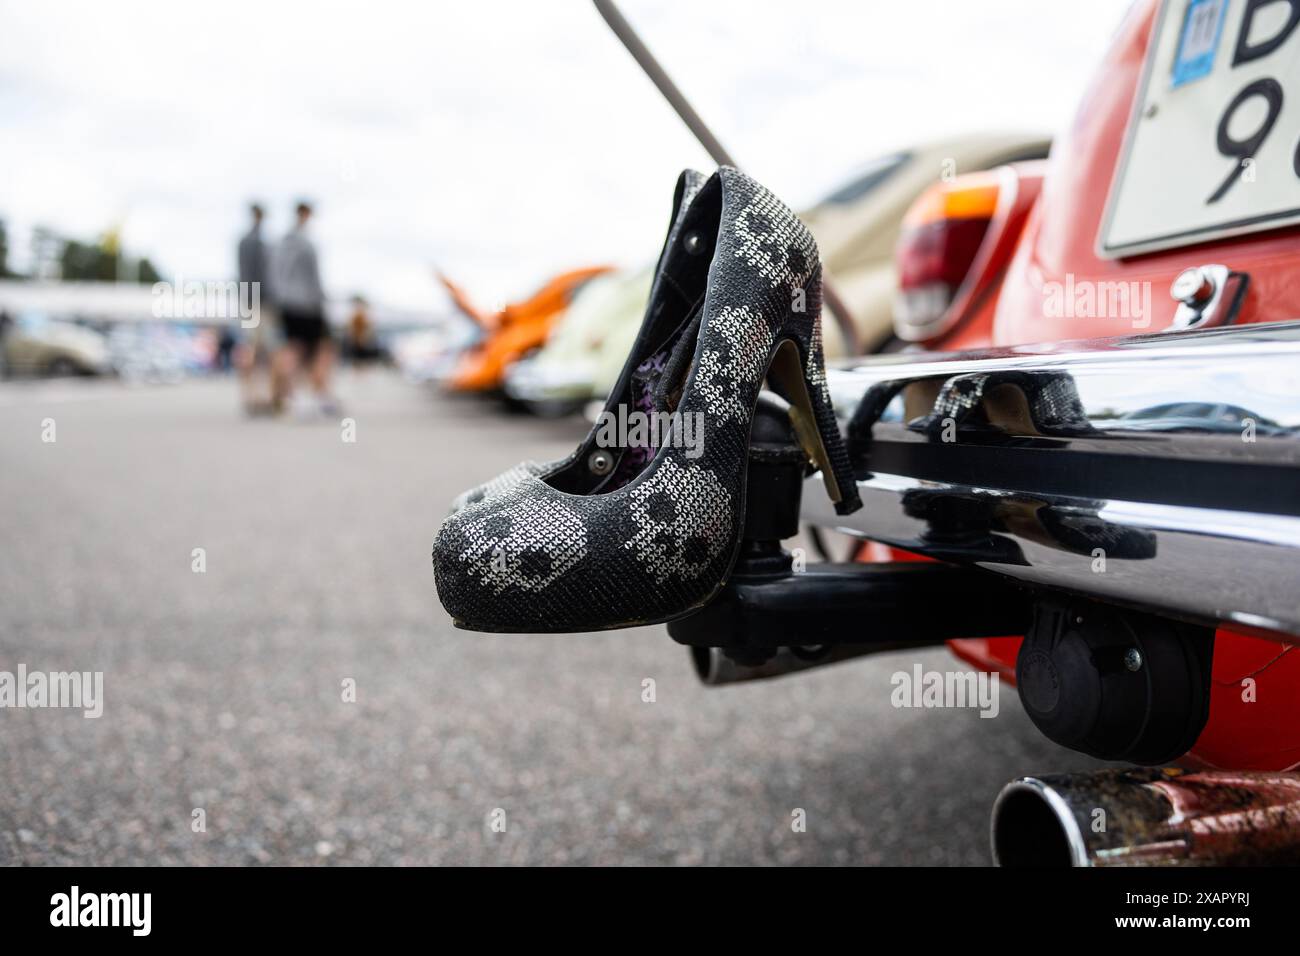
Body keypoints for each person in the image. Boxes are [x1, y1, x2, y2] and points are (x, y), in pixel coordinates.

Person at [272, 201, 339, 415]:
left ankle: (290, 399)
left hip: (286, 304)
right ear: (307, 215)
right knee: (322, 350)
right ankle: (320, 396)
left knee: (291, 350)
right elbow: (315, 278)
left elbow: (275, 275)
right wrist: (321, 302)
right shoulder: (307, 244)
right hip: (309, 305)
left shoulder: (281, 243)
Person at [233, 203, 283, 413]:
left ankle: (249, 396)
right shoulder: (263, 244)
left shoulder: (242, 242)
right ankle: (270, 397)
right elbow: (269, 277)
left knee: (249, 348)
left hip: (247, 298)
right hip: (263, 302)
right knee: (270, 350)